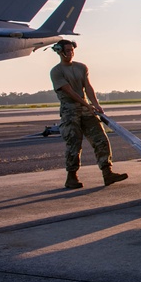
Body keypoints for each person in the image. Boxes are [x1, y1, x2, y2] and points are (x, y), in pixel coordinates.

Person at [50, 39, 128, 189]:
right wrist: (87, 105)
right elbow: (69, 91)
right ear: (59, 51)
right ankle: (71, 177)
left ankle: (107, 173)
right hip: (69, 111)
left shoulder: (81, 67)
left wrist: (96, 105)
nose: (70, 53)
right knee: (74, 143)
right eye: (67, 50)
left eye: (72, 50)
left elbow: (88, 87)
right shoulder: (56, 71)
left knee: (101, 139)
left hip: (86, 110)